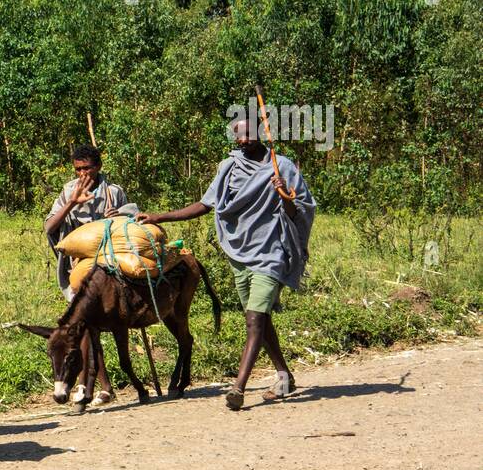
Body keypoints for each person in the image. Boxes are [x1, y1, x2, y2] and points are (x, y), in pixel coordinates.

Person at [138, 117, 316, 410]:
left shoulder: (280, 166)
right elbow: (206, 205)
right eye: (238, 136)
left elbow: (298, 210)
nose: (243, 141)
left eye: (248, 135)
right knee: (260, 316)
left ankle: (238, 387)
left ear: (261, 135)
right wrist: (160, 216)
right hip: (239, 254)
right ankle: (284, 375)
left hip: (272, 252)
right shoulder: (229, 167)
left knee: (254, 318)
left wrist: (283, 192)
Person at [43, 143, 127, 406]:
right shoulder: (69, 190)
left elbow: (129, 226)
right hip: (78, 269)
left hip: (106, 269)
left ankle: (95, 385)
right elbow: (49, 227)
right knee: (83, 329)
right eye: (78, 169)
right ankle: (94, 385)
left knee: (93, 328)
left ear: (98, 167)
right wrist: (71, 204)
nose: (83, 174)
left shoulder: (113, 192)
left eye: (88, 168)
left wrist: (118, 216)